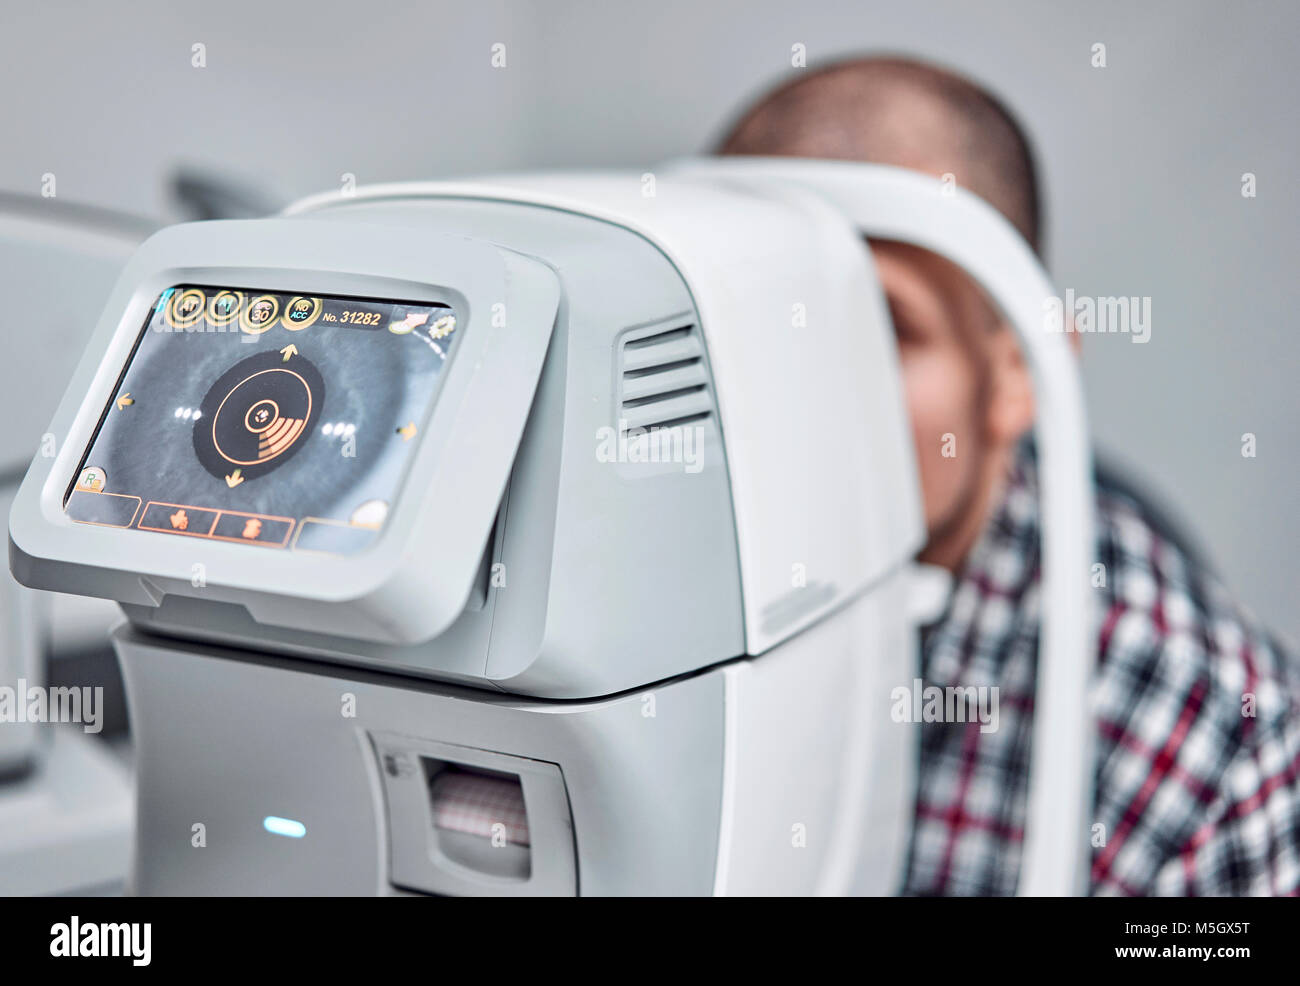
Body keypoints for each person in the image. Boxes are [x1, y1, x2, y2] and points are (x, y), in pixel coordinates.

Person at [716, 56, 1300, 895]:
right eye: (760, 327)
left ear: (1020, 373)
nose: (797, 397)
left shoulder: (1214, 750)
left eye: (886, 326)